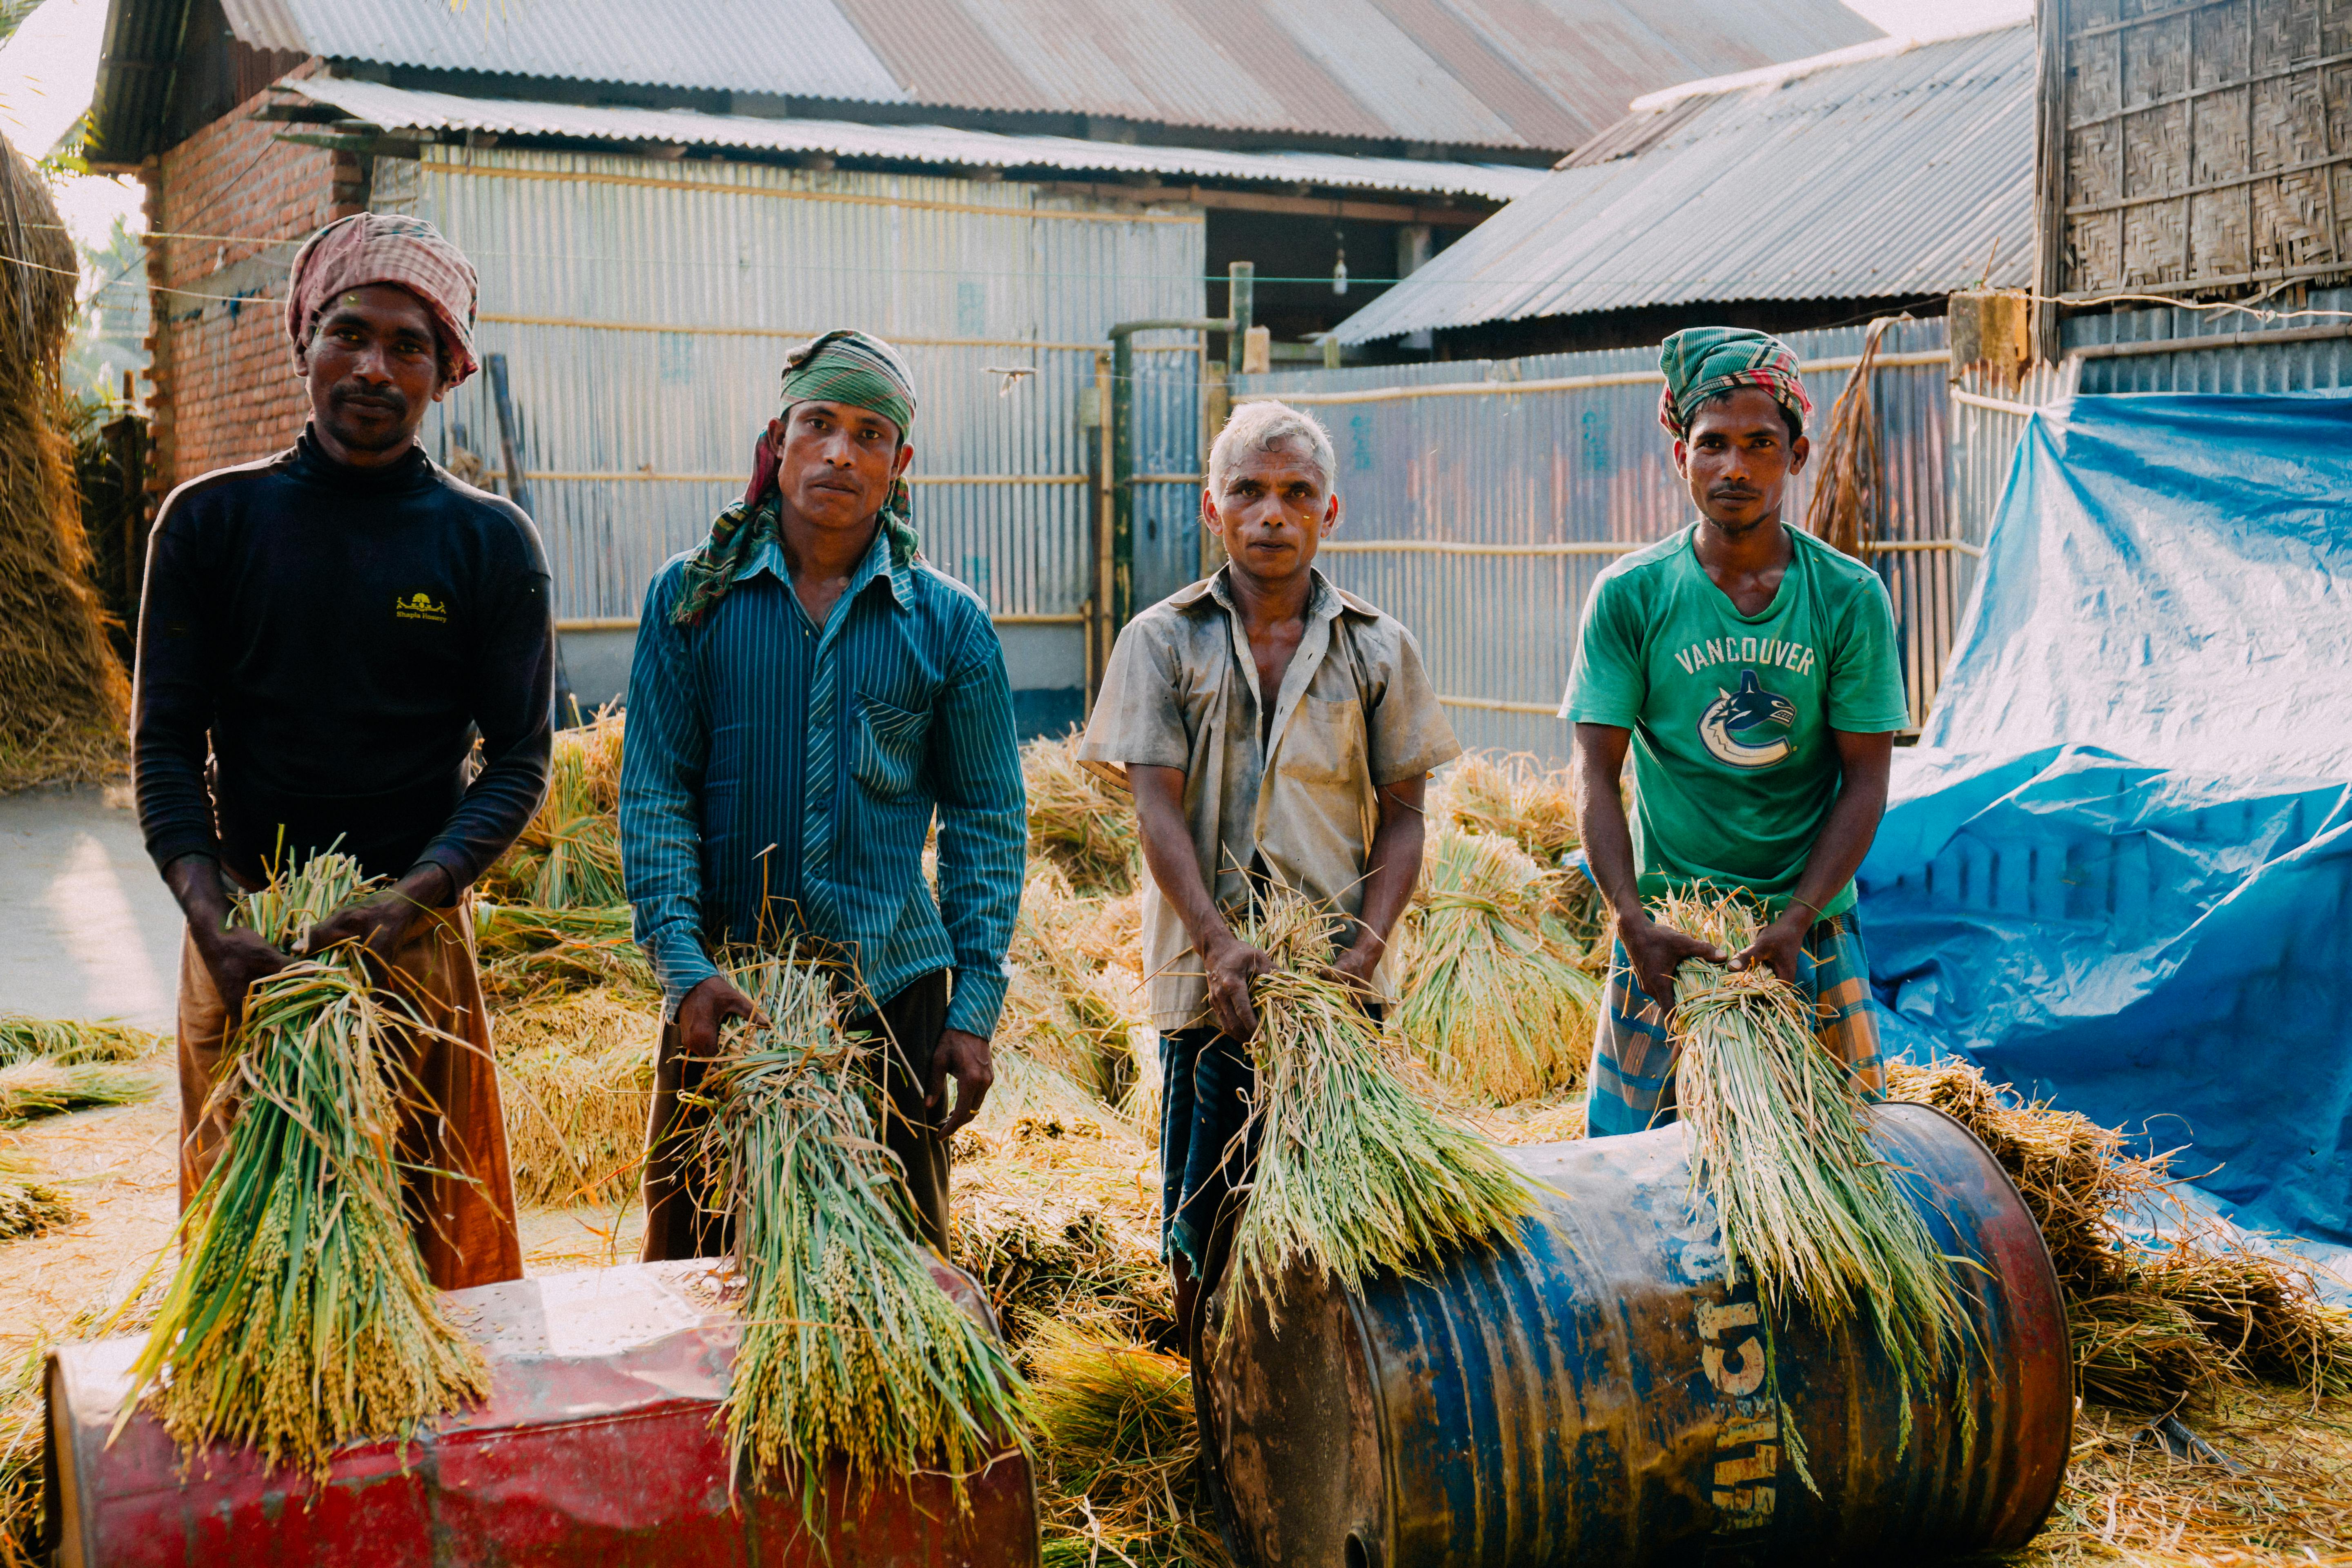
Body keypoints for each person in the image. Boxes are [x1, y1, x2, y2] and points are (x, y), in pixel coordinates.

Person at [134, 212, 550, 1288]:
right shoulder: (210, 525)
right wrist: (212, 916)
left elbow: (517, 763)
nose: (374, 366)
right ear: (302, 342)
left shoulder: (488, 543)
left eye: (409, 345)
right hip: (250, 941)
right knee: (256, 1268)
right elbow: (167, 750)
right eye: (347, 333)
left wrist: (416, 898)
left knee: (431, 1261)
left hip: (412, 945)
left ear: (447, 373)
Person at [621, 329, 1025, 1258]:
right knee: (701, 1281)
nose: (841, 453)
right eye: (819, 424)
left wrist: (972, 1015)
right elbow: (654, 795)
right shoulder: (692, 600)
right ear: (778, 440)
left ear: (900, 462)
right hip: (727, 1003)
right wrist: (685, 970)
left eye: (870, 433)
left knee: (893, 1280)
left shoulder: (948, 626)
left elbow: (988, 824)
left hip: (893, 1003)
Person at [1078, 399, 1460, 1345]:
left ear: (1331, 513)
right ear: (1214, 509)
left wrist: (1358, 962)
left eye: (1297, 494)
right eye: (1248, 491)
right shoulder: (1161, 641)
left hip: (1336, 992)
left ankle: (1324, 1399)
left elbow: (1406, 820)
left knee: (1333, 1223)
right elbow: (1155, 805)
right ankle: (1212, 1382)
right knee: (1201, 1215)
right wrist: (1215, 939)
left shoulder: (1379, 646)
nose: (1271, 514)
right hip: (1208, 986)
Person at [1566, 326, 1911, 1136]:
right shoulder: (1631, 595)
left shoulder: (1848, 598)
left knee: (1843, 1159)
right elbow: (1594, 777)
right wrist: (1630, 919)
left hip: (1808, 924)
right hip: (1669, 928)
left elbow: (1867, 782)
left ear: (1796, 457)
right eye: (1713, 443)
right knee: (1631, 1165)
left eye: (1761, 443)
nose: (1734, 466)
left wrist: (1794, 917)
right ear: (1681, 456)